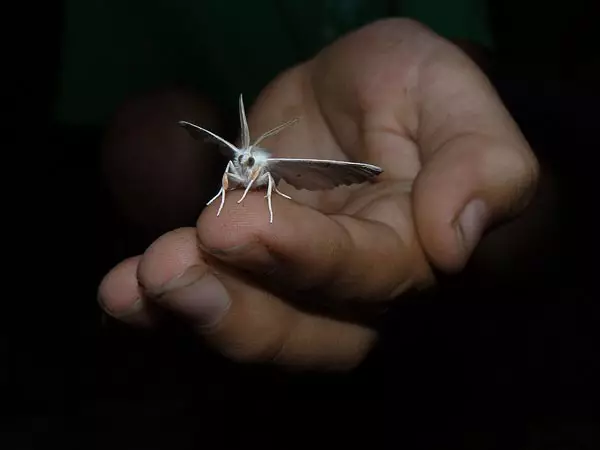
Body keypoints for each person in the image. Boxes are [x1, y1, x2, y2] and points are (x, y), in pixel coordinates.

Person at [97, 18, 539, 371]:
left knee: (503, 235)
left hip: (301, 159)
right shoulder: (235, 159)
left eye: (247, 162)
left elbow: (266, 180)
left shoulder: (267, 166)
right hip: (213, 153)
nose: (244, 167)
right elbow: (221, 162)